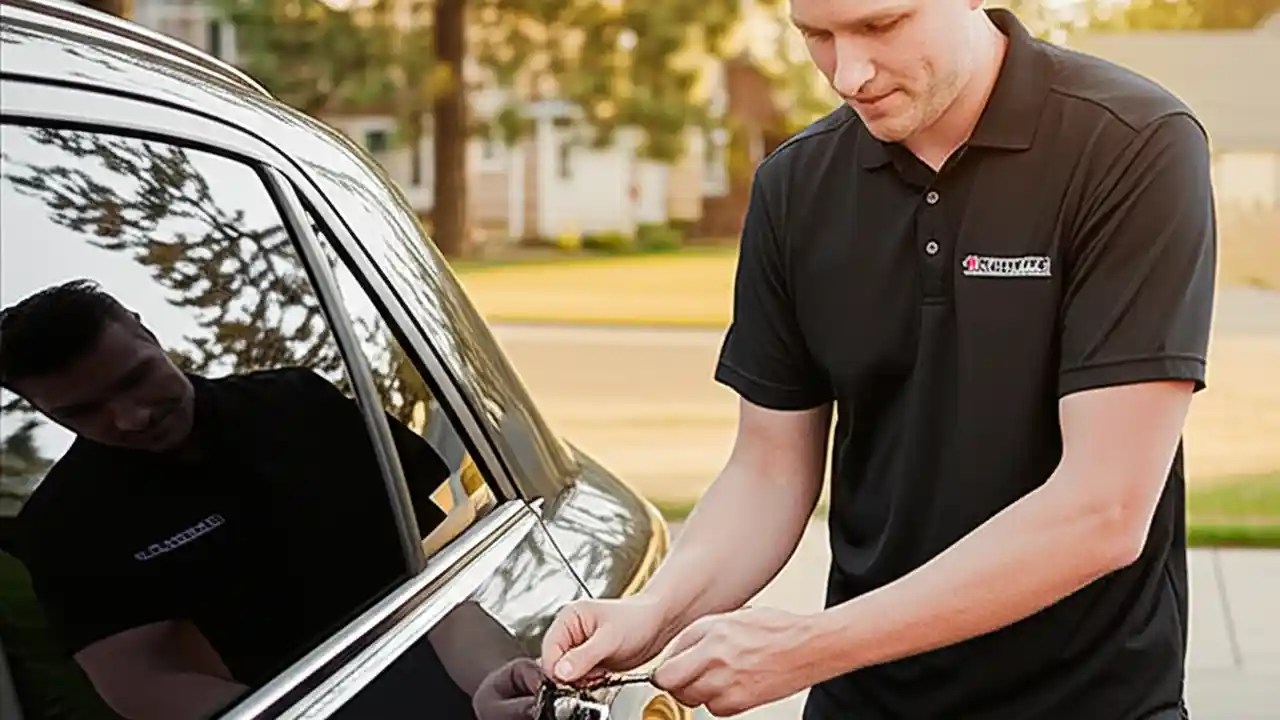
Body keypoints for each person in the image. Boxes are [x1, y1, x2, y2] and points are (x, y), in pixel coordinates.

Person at [540, 2, 1216, 719]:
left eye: (880, 26)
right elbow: (769, 469)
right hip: (864, 702)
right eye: (818, 37)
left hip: (1087, 705)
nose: (848, 74)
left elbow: (1102, 510)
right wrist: (657, 610)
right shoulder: (795, 186)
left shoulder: (1132, 146)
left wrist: (809, 647)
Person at [0, 279, 451, 720]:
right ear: (40, 410)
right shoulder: (63, 525)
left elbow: (444, 529)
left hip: (455, 652)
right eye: (81, 411)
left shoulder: (303, 403)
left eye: (136, 378)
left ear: (148, 333)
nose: (133, 417)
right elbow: (146, 680)